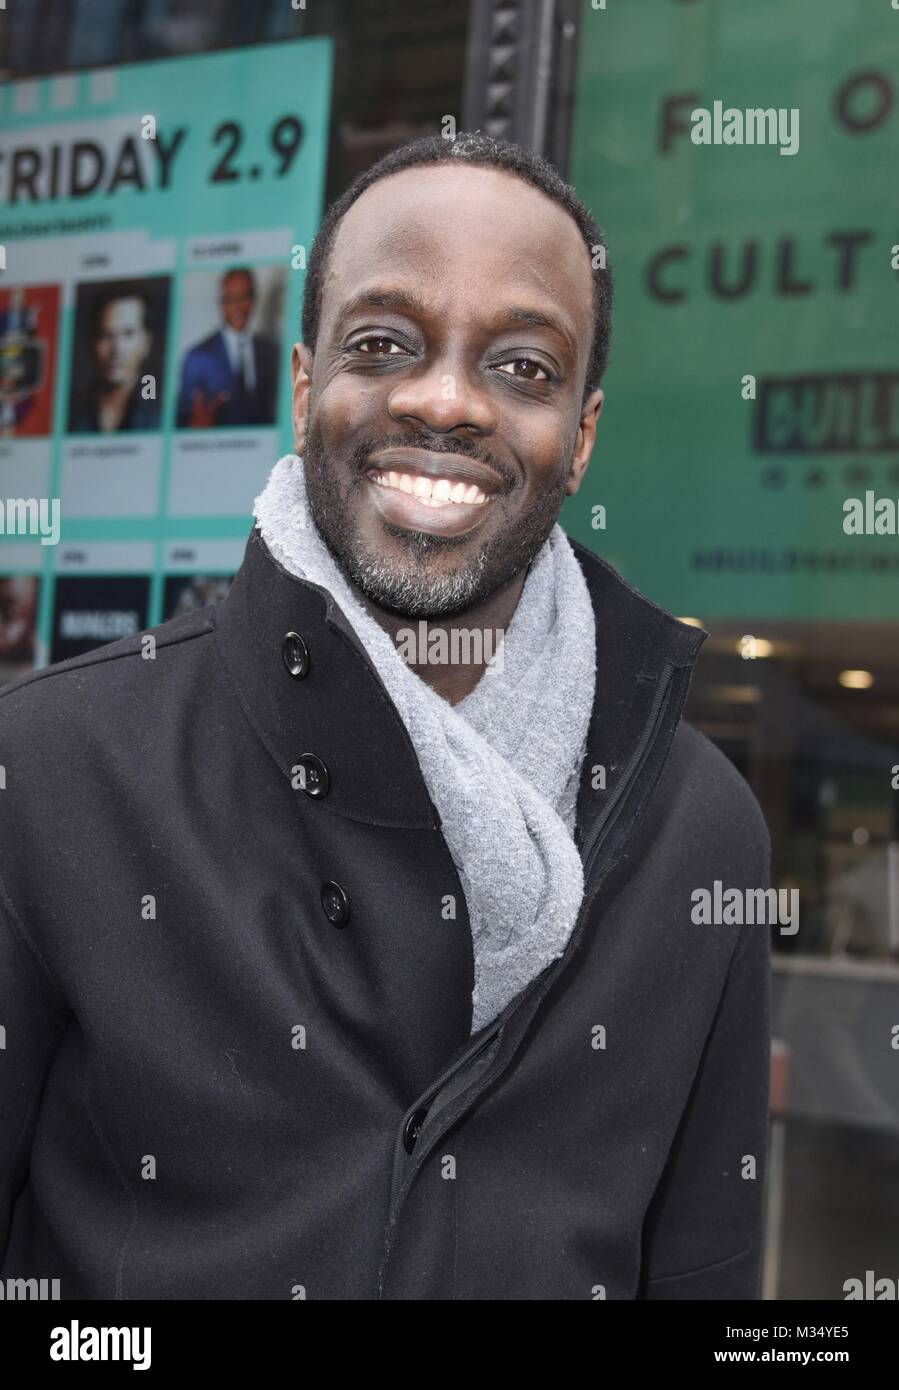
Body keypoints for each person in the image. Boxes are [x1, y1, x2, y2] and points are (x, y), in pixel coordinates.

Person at [0, 133, 771, 1301]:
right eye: (383, 344)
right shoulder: (55, 765)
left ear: (584, 435)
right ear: (307, 387)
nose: (445, 400)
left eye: (520, 366)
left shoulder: (699, 829)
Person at [176, 267, 279, 428]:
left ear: (253, 301)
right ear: (221, 303)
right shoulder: (197, 357)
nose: (237, 307)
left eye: (243, 298)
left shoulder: (271, 352)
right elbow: (181, 419)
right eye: (229, 299)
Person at [67, 285, 159, 433]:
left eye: (128, 334)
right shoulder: (69, 409)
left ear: (146, 343)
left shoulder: (158, 413)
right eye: (106, 335)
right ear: (93, 342)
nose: (117, 350)